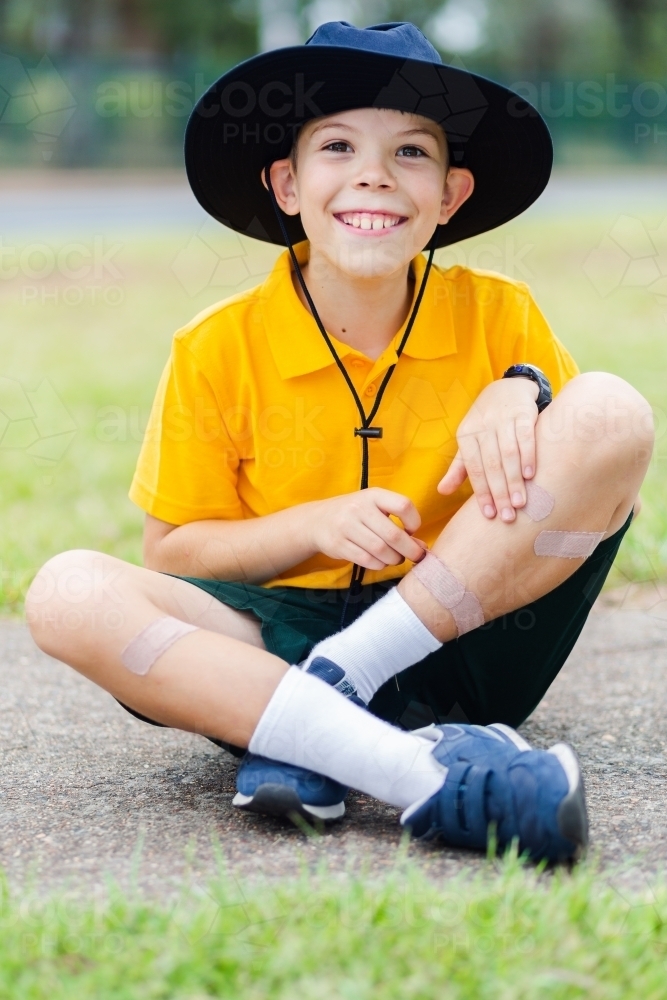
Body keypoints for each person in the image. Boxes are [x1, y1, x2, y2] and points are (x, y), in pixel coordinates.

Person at [25, 22, 652, 862]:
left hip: (457, 637)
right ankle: (416, 774)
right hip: (270, 650)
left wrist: (526, 390)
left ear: (450, 196)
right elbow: (173, 553)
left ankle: (332, 691)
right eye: (338, 145)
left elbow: (605, 483)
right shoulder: (215, 345)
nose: (373, 173)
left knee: (613, 408)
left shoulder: (501, 315)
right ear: (286, 184)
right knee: (65, 591)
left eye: (411, 154)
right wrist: (312, 527)